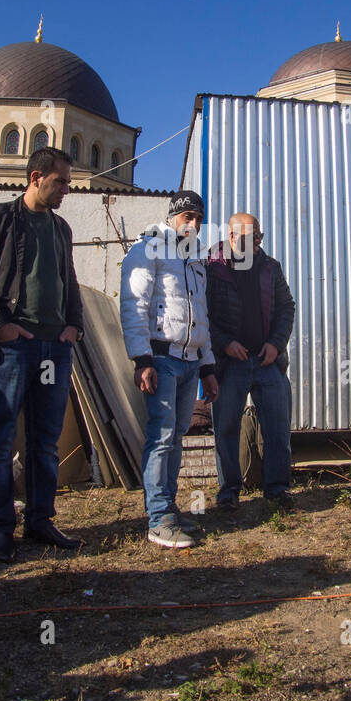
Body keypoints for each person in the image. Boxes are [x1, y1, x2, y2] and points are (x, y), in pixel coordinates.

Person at [0, 147, 85, 563]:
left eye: (68, 182)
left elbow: (70, 281)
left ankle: (40, 520)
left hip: (54, 348)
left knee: (45, 441)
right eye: (60, 182)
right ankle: (1, 529)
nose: (67, 189)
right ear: (36, 177)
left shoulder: (61, 229)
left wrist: (74, 326)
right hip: (12, 346)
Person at [121, 190, 219, 548]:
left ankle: (170, 511)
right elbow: (133, 304)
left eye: (198, 218)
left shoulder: (194, 260)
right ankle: (158, 518)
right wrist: (142, 359)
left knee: (175, 439)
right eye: (187, 216)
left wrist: (208, 367)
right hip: (161, 360)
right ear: (172, 215)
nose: (193, 224)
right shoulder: (148, 249)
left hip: (190, 363)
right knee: (161, 439)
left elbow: (201, 316)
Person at [206, 212, 296, 510]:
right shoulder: (211, 267)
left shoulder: (271, 267)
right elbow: (202, 314)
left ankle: (277, 489)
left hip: (267, 360)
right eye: (250, 237)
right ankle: (229, 492)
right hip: (229, 363)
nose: (257, 242)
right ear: (232, 237)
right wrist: (225, 344)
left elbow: (286, 307)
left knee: (277, 426)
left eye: (259, 236)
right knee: (226, 427)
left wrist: (276, 343)